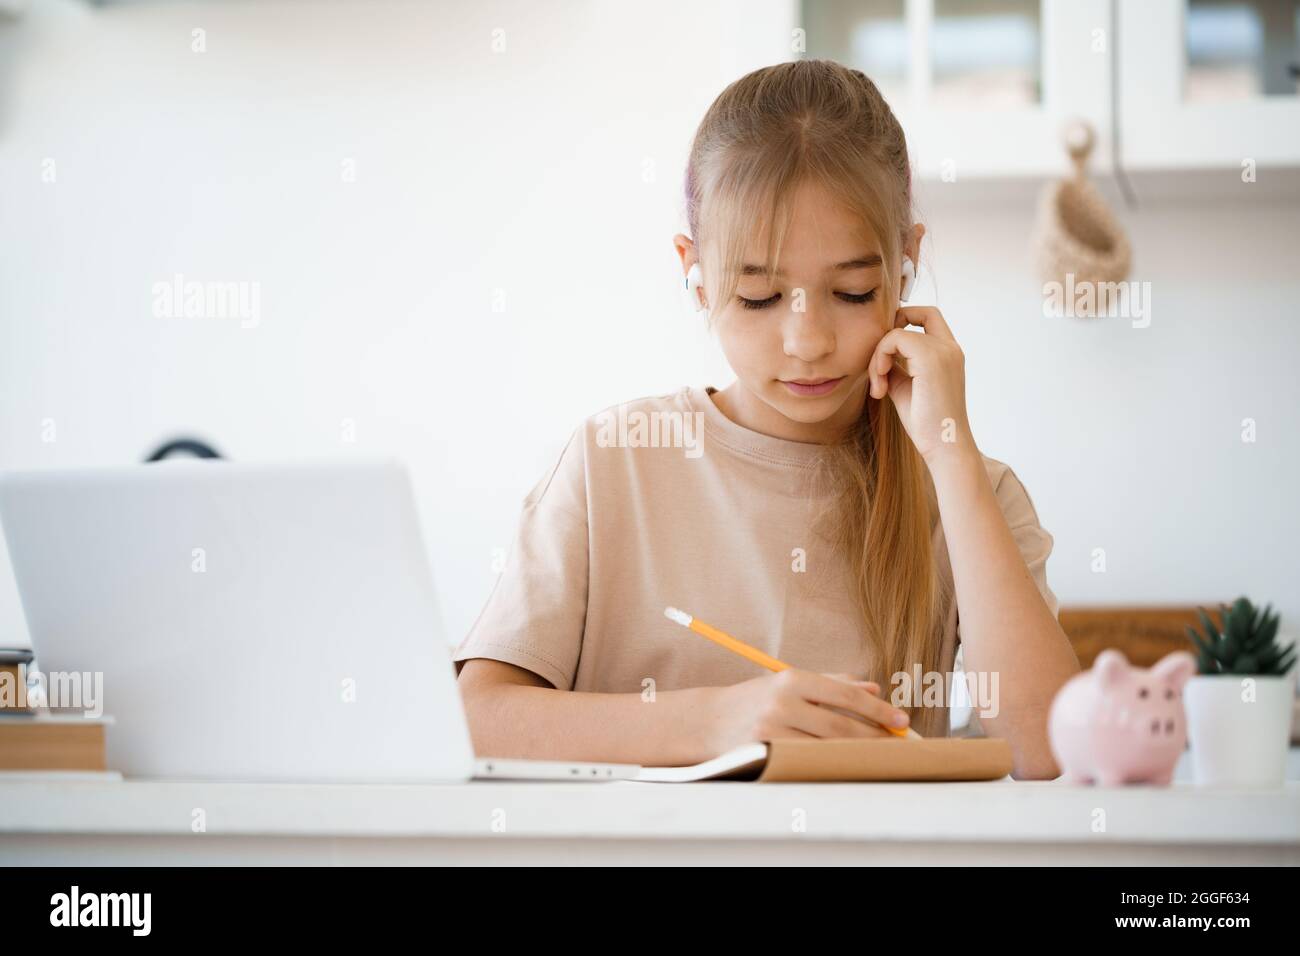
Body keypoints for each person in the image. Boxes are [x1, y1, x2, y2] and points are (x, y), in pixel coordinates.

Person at [453, 59, 1080, 779]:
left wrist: (951, 456)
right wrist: (723, 720)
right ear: (693, 270)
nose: (807, 342)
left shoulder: (973, 493)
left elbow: (1052, 755)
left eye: (852, 292)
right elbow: (479, 720)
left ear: (907, 262)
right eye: (758, 297)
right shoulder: (613, 460)